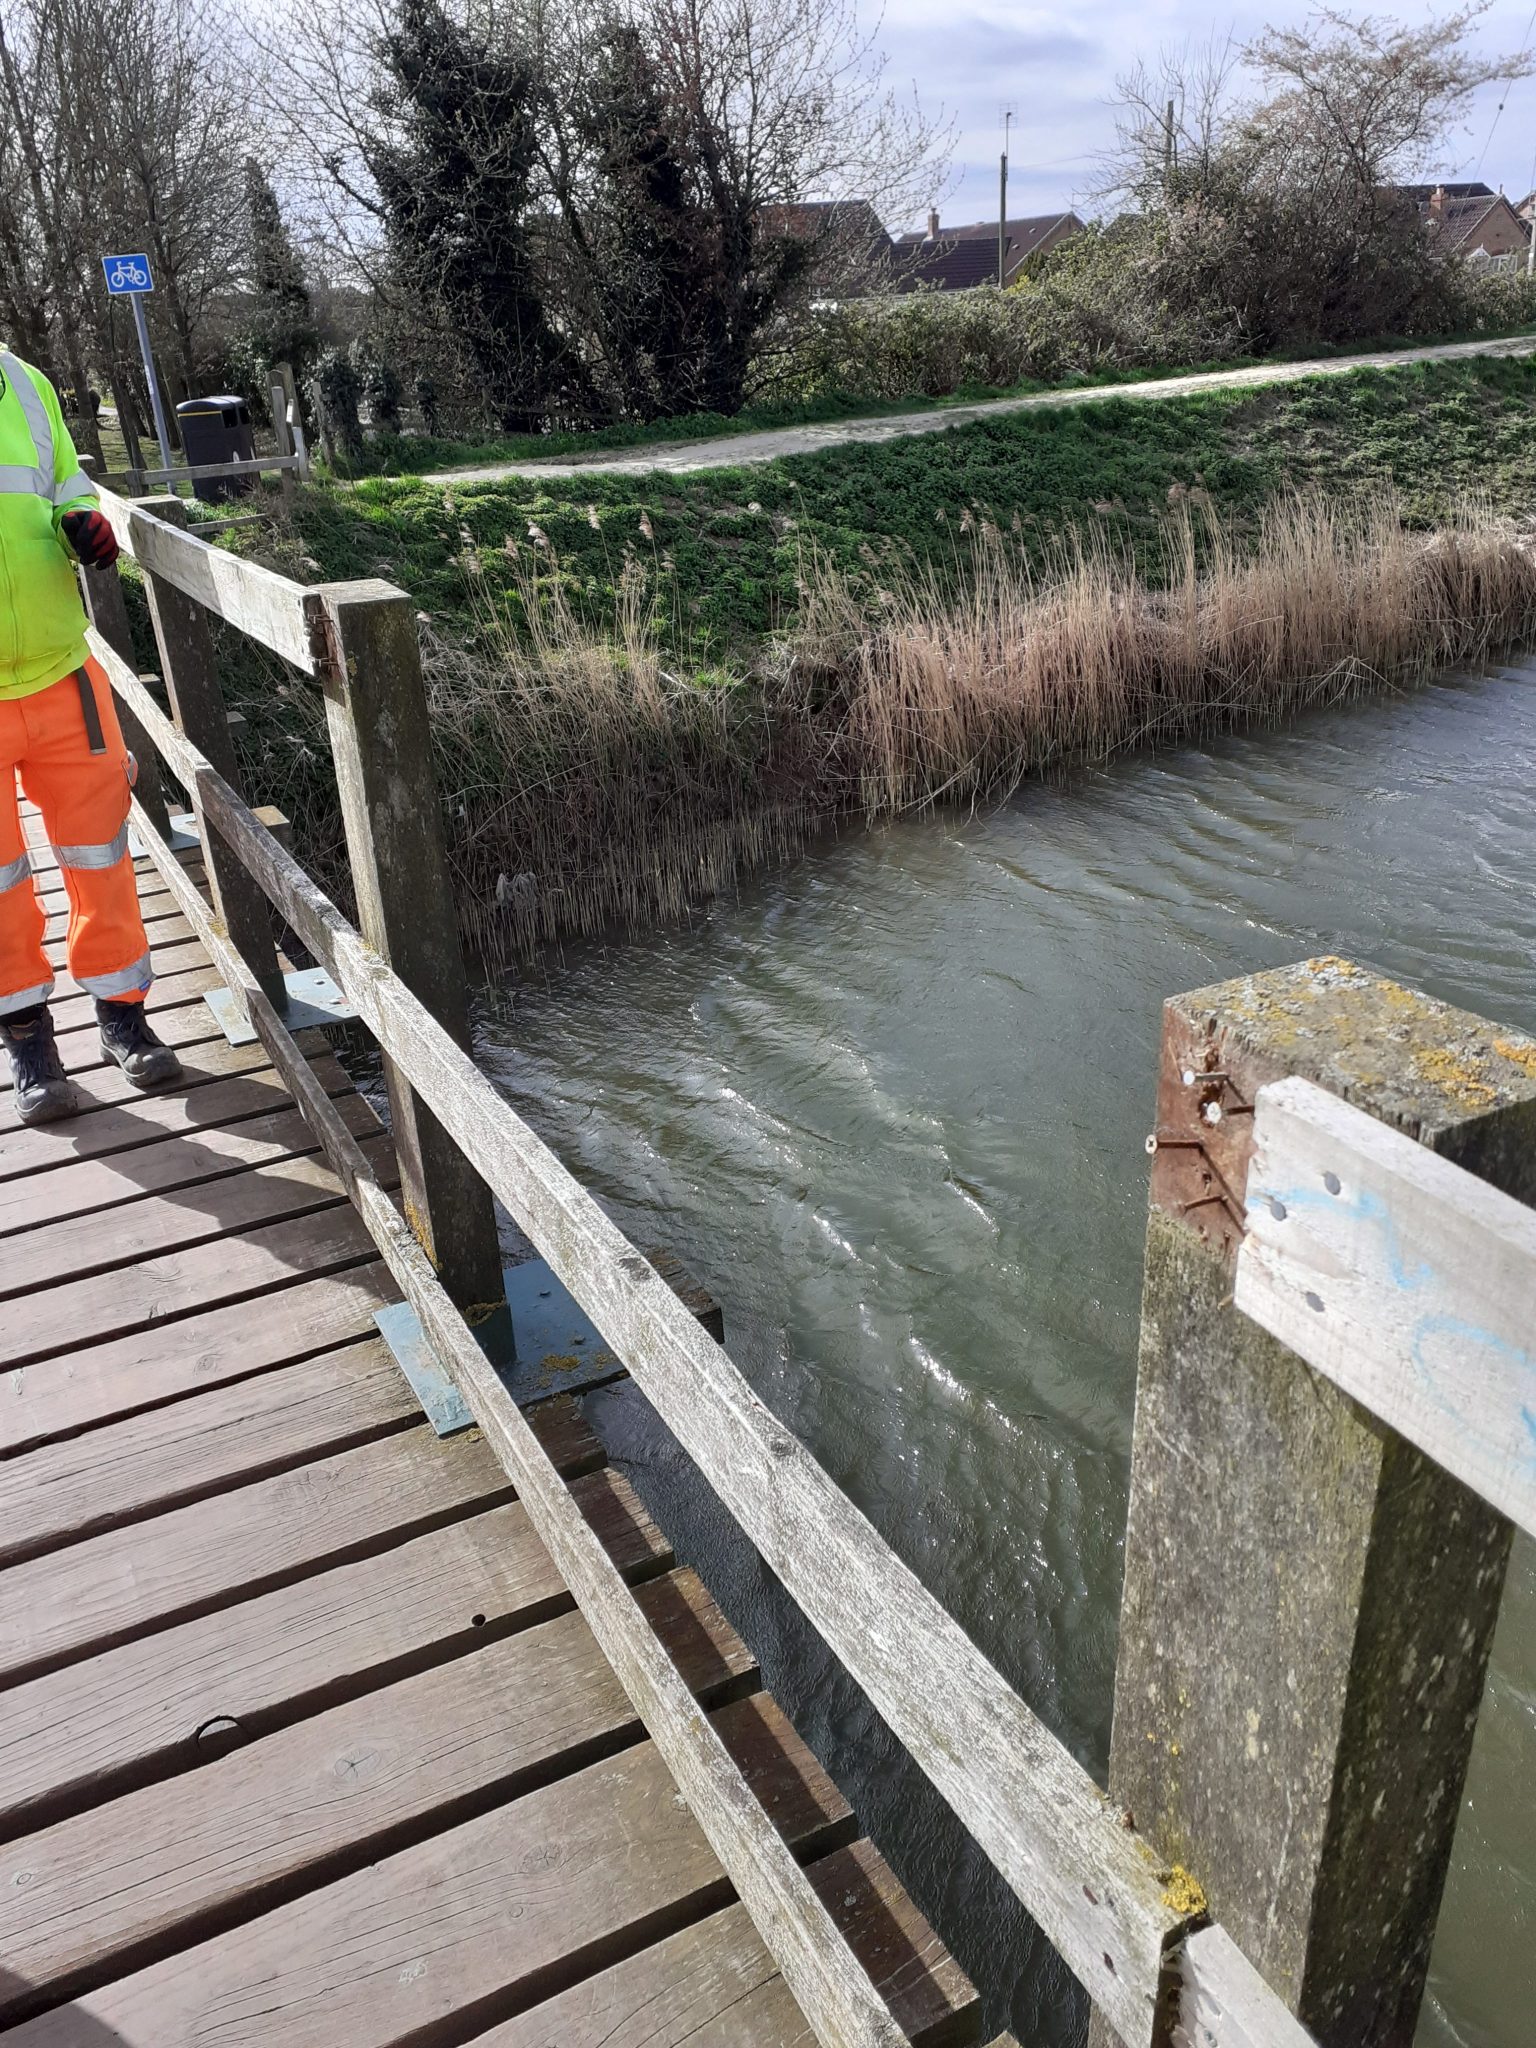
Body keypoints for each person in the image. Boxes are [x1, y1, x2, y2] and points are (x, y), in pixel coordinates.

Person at [1, 346, 182, 1126]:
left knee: (100, 855)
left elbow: (65, 482)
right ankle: (29, 1043)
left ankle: (122, 1016)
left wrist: (80, 523)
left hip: (63, 669)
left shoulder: (23, 379)